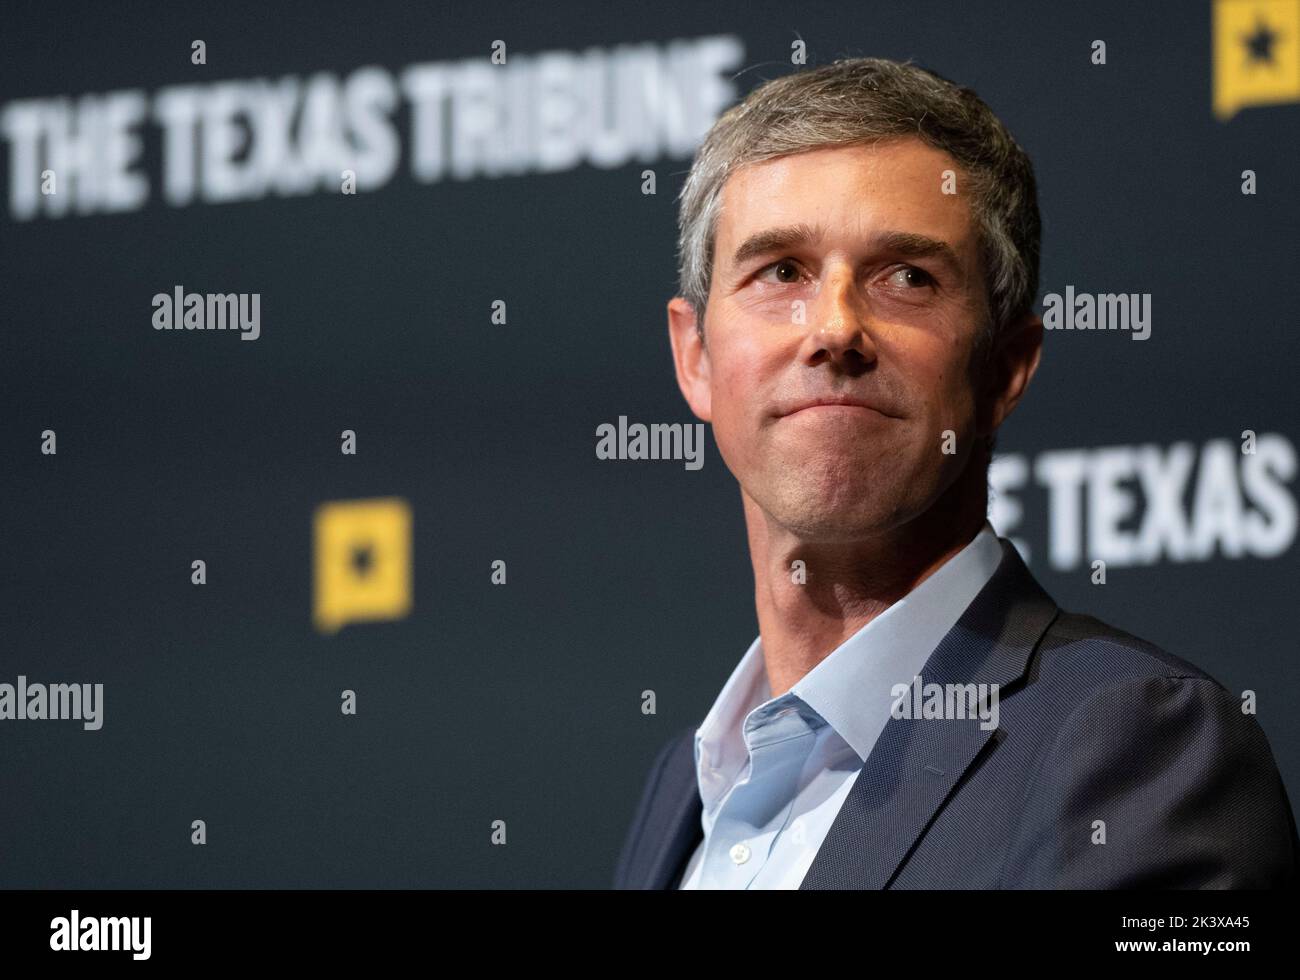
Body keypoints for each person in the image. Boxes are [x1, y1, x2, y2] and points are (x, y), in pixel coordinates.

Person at [612, 57, 1299, 889]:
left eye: (907, 277)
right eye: (781, 271)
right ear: (695, 358)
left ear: (1005, 365)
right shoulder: (681, 791)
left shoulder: (1139, 745)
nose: (834, 328)